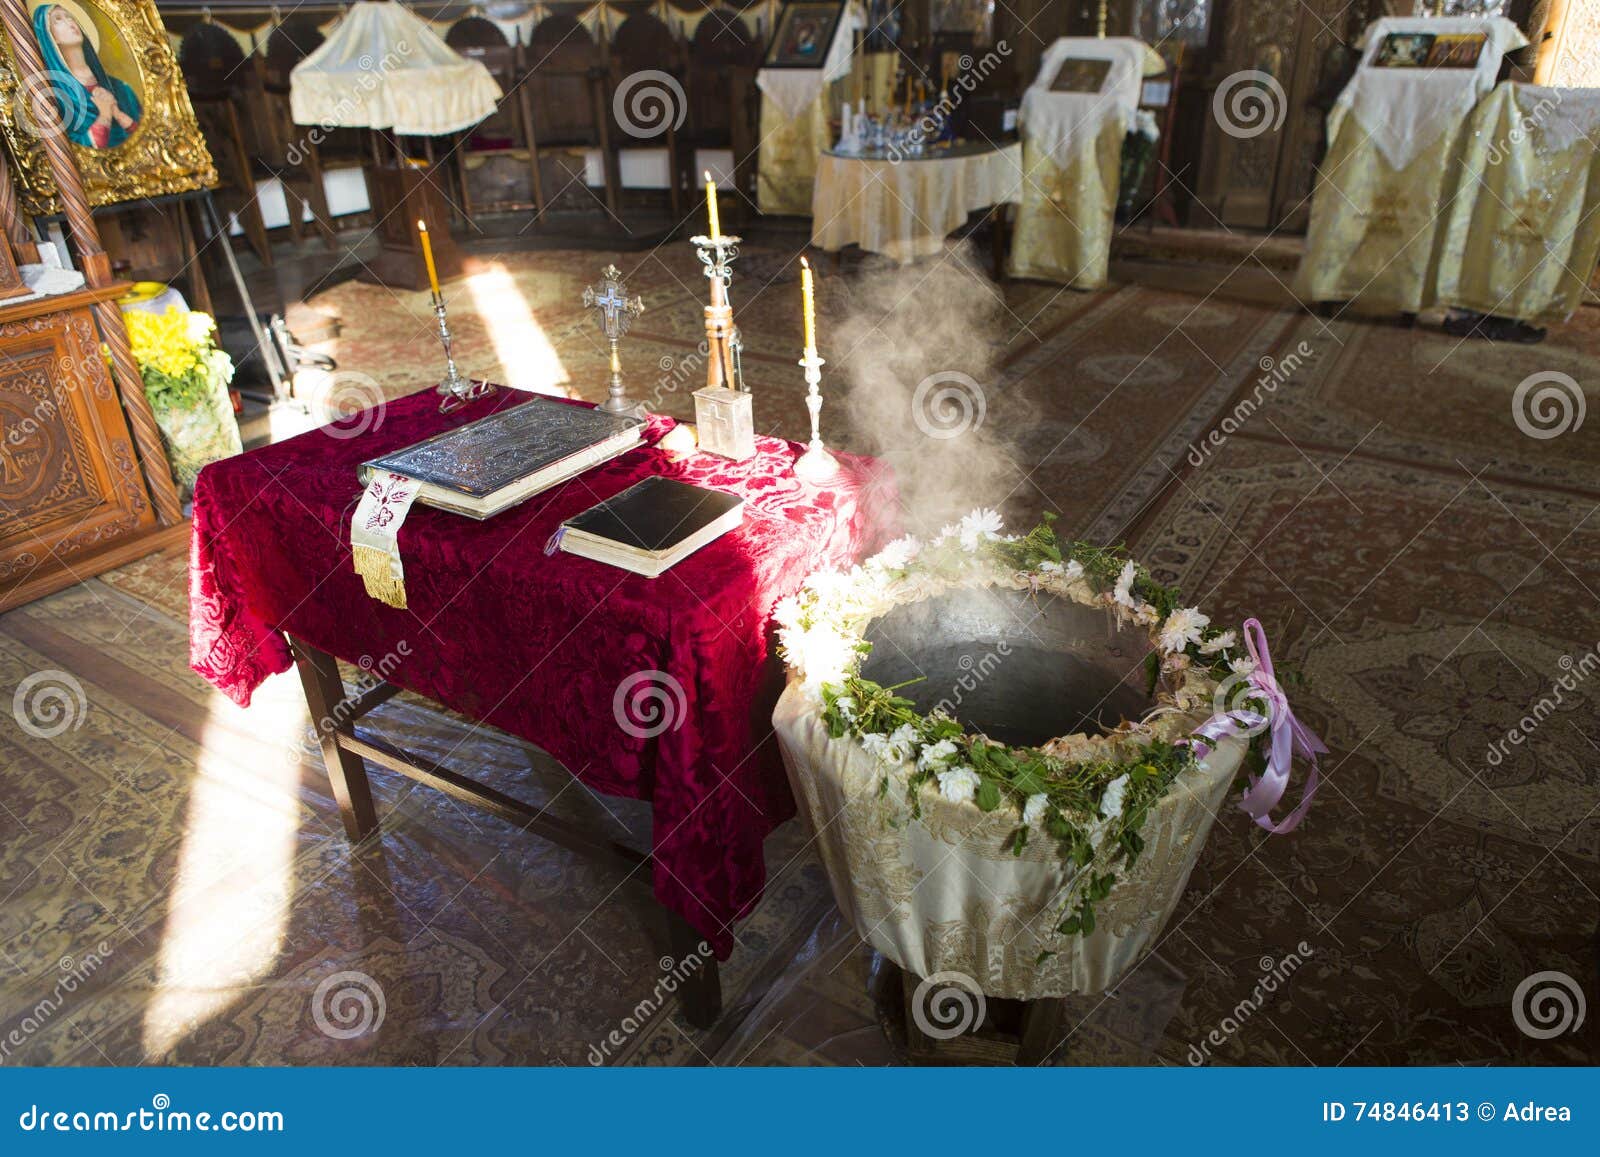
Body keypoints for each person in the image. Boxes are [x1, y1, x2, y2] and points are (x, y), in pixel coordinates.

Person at [33, 2, 141, 149]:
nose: (70, 23)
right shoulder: (56, 98)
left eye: (70, 17)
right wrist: (105, 115)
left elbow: (145, 137)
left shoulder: (121, 89)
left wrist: (118, 114)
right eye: (58, 19)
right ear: (48, 35)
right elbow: (69, 150)